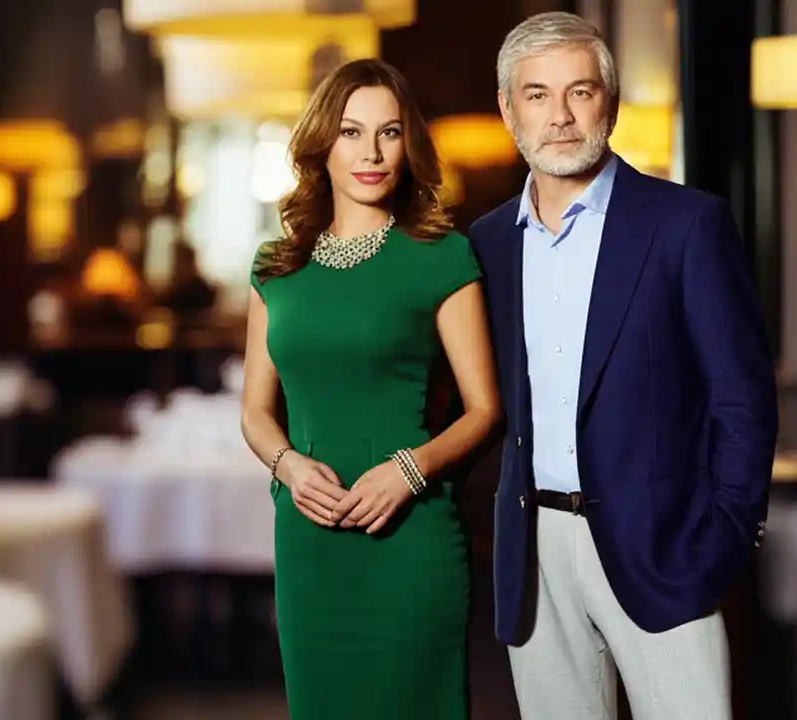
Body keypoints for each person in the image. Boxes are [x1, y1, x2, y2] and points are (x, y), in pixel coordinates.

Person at [469, 12, 778, 720]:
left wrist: (727, 532)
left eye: (580, 92)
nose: (561, 116)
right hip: (534, 556)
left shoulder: (685, 225)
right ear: (509, 109)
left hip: (667, 547)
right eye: (538, 95)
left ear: (609, 102)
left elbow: (742, 395)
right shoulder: (488, 244)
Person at [241, 58, 500, 719]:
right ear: (322, 144)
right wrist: (288, 466)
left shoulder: (441, 255)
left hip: (411, 540)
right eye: (353, 132)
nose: (372, 152)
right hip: (309, 543)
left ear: (408, 144)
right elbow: (254, 412)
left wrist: (410, 471)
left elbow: (483, 410)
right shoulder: (277, 266)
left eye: (389, 133)